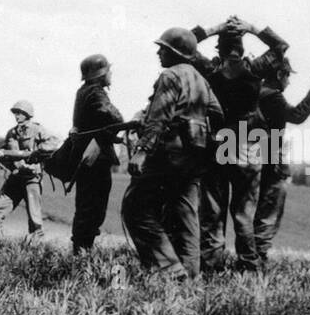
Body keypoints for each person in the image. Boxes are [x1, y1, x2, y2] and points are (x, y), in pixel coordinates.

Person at [121, 27, 224, 278]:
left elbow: (158, 117)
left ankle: (169, 269)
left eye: (163, 48)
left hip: (167, 155)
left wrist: (142, 151)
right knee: (187, 217)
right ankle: (190, 277)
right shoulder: (201, 79)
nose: (158, 52)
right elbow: (218, 114)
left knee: (135, 208)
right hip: (194, 158)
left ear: (175, 52)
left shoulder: (170, 75)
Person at [191, 16, 290, 273]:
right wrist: (252, 28)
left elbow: (186, 45)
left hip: (217, 142)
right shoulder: (256, 70)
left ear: (219, 49)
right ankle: (248, 267)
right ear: (242, 49)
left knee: (213, 212)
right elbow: (281, 46)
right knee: (244, 213)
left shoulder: (211, 71)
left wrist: (214, 28)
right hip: (247, 144)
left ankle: (211, 268)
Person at [251, 60, 310, 269]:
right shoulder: (272, 95)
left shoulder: (255, 92)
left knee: (254, 211)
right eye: (287, 76)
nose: (289, 81)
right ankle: (257, 262)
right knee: (269, 211)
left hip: (252, 158)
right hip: (270, 161)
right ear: (279, 74)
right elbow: (296, 116)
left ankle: (250, 258)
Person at [69, 54, 124, 255]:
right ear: (101, 73)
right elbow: (114, 116)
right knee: (93, 207)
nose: (110, 74)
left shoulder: (83, 91)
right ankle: (83, 252)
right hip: (95, 156)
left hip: (86, 155)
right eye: (108, 71)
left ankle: (81, 251)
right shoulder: (96, 92)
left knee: (86, 206)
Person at [0, 100, 57, 240]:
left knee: (35, 220)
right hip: (16, 177)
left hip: (32, 178)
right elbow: (7, 152)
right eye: (15, 113)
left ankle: (35, 250)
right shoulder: (12, 133)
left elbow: (54, 142)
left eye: (19, 113)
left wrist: (36, 153)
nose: (16, 116)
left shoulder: (37, 130)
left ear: (27, 114)